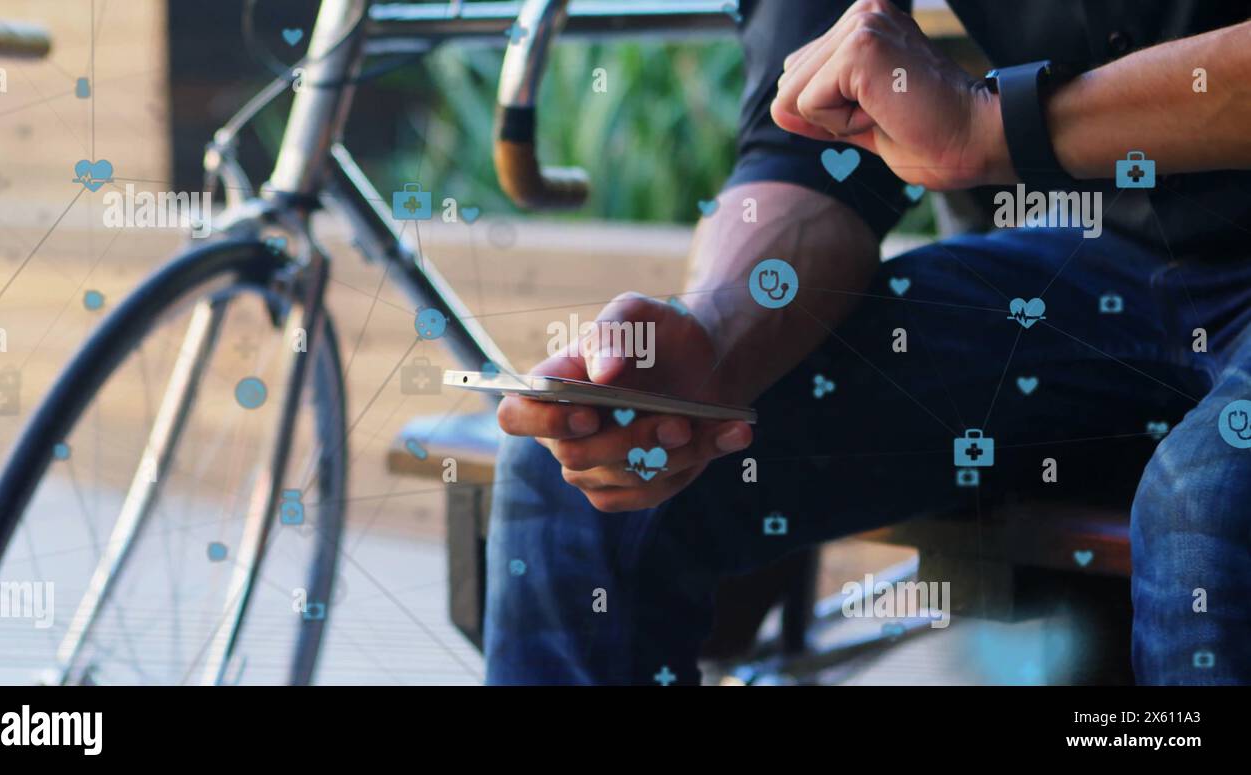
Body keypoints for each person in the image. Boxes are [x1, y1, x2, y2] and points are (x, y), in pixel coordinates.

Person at [484, 0, 1251, 685]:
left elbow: (975, 128)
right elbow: (812, 153)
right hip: (1096, 259)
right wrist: (717, 339)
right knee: (593, 458)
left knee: (1207, 502)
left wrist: (1000, 124)